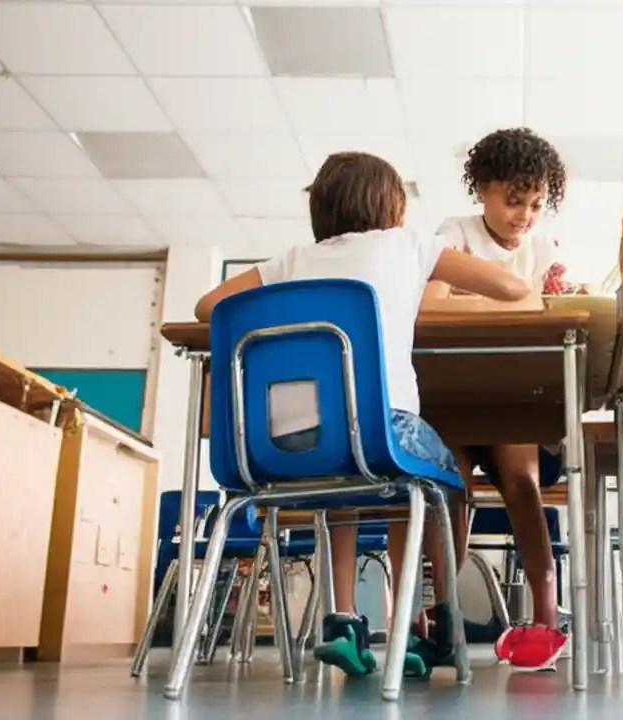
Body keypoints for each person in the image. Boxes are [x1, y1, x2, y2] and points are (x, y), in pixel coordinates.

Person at [193, 151, 531, 678]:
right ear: (393, 205)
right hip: (383, 431)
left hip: (290, 440)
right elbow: (514, 288)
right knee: (433, 481)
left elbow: (209, 307)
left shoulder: (293, 261)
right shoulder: (411, 244)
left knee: (341, 484)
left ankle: (344, 621)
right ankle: (423, 623)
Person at [424, 128, 573, 670]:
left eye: (536, 203)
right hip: (453, 395)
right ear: (483, 188)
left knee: (522, 482)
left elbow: (552, 312)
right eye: (513, 200)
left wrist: (473, 296)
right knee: (452, 490)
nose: (524, 215)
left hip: (513, 392)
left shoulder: (542, 248)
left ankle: (547, 614)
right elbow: (431, 305)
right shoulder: (454, 233)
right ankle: (444, 614)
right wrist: (517, 298)